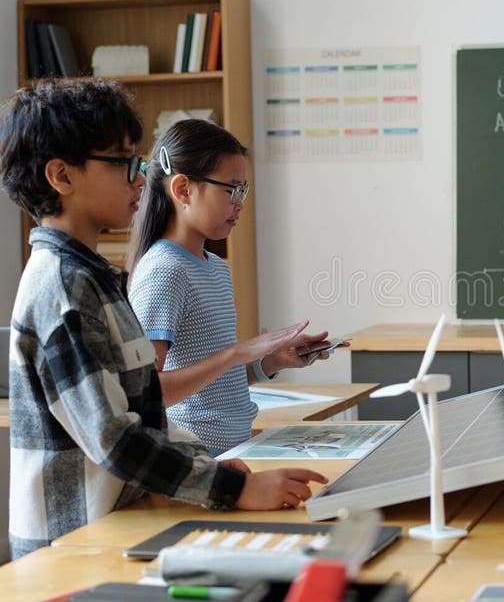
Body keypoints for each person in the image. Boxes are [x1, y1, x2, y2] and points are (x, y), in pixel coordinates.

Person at [0, 80, 327, 558]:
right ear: (62, 176)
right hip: (73, 543)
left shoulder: (95, 279)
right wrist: (231, 489)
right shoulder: (64, 290)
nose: (140, 179)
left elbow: (145, 405)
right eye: (123, 163)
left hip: (115, 522)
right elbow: (115, 439)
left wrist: (205, 466)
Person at [127, 118, 334, 454]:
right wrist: (236, 353)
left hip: (233, 450)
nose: (240, 203)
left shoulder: (216, 269)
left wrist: (270, 363)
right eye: (231, 190)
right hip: (194, 458)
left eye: (244, 190)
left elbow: (215, 383)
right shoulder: (164, 271)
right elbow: (147, 392)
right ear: (183, 190)